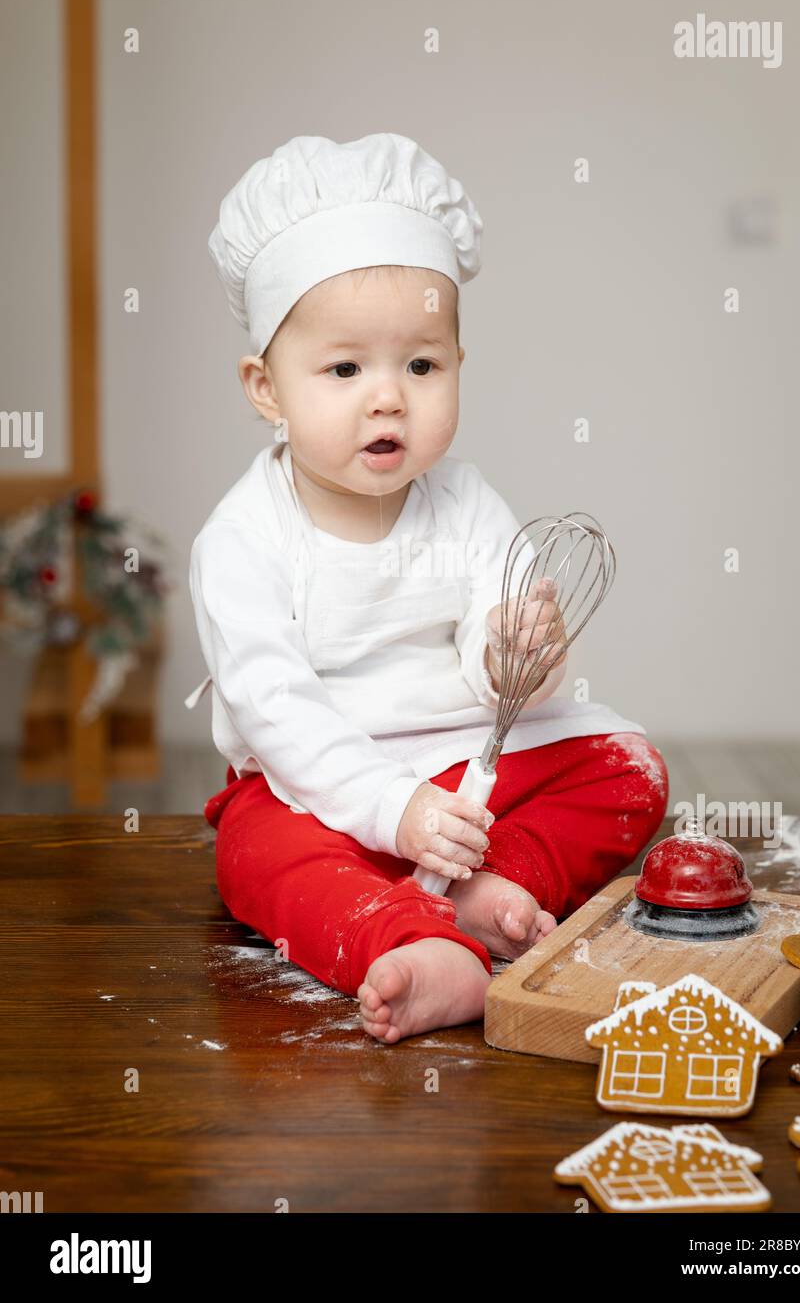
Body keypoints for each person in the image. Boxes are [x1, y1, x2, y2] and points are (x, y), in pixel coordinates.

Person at [186, 132, 668, 1043]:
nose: (388, 398)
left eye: (421, 364)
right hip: (317, 790)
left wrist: (516, 652)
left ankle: (500, 885)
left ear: (456, 366)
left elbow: (497, 653)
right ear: (266, 388)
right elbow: (277, 712)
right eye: (343, 368)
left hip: (458, 778)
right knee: (254, 856)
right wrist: (388, 810)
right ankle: (408, 939)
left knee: (628, 767)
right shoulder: (243, 540)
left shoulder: (467, 501)